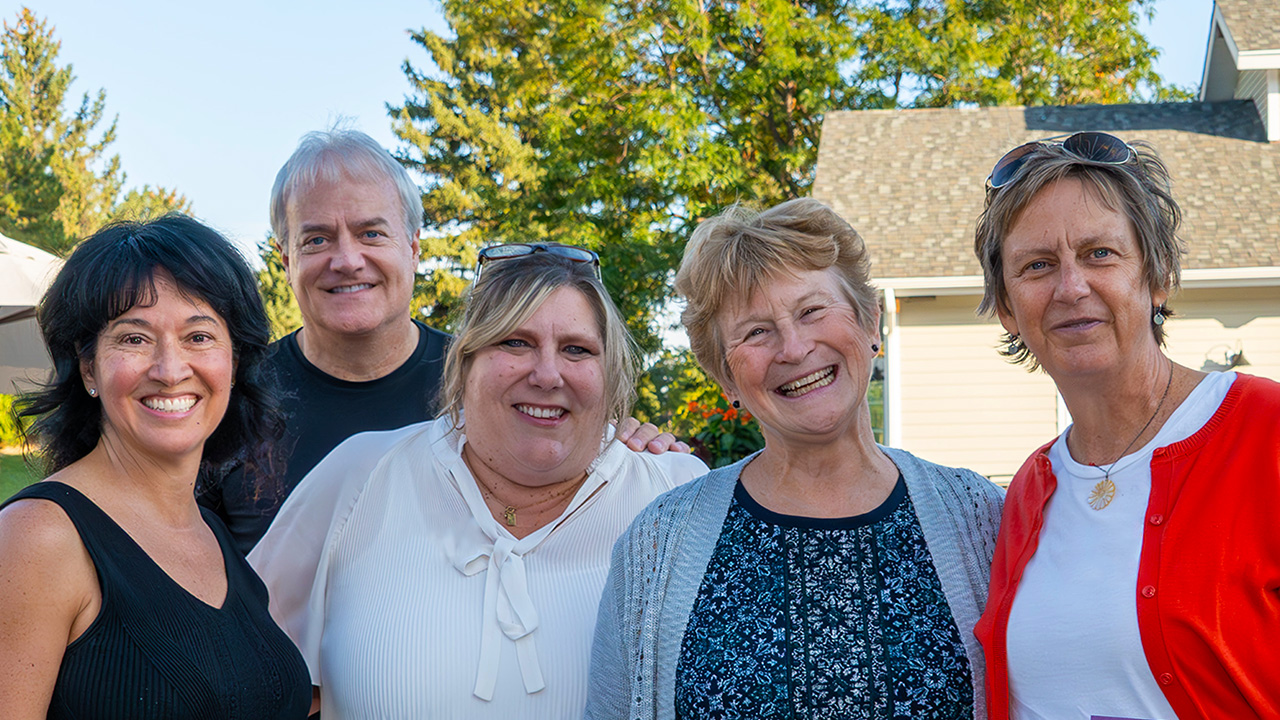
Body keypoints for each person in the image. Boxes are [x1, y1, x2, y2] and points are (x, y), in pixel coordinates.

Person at [587, 198, 1006, 720]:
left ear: (870, 323)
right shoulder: (659, 543)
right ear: (725, 376)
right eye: (756, 332)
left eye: (812, 311)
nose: (793, 347)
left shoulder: (979, 519)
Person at [249, 244, 709, 718]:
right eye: (515, 343)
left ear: (610, 373)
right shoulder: (361, 474)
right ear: (466, 361)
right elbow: (244, 670)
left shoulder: (677, 500)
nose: (547, 374)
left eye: (577, 349)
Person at [203, 128, 677, 554]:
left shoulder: (496, 381)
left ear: (413, 248)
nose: (347, 260)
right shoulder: (230, 396)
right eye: (317, 240)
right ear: (286, 260)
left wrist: (627, 445)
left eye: (371, 233)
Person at [970, 132, 1280, 719]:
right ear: (1008, 308)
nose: (1070, 288)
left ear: (1157, 276)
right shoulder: (1031, 488)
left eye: (1099, 254)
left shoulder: (1265, 432)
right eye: (1037, 265)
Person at [0, 216, 312, 718]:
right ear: (88, 367)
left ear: (234, 362)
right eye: (134, 339)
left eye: (199, 336)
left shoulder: (210, 533)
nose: (169, 370)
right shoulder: (38, 537)